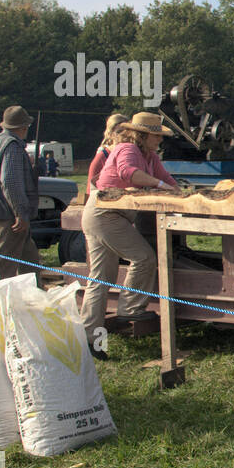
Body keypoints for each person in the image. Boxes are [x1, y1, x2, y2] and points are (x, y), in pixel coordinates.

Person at [80, 112, 178, 359]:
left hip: (107, 215)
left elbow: (166, 180)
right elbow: (128, 173)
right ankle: (130, 308)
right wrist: (160, 186)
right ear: (143, 135)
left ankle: (90, 339)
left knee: (101, 277)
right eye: (156, 136)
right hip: (105, 215)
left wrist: (178, 192)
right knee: (144, 257)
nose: (160, 141)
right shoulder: (127, 148)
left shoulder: (150, 155)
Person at [0, 106, 40, 280]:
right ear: (24, 127)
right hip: (9, 216)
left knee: (30, 263)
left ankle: (32, 300)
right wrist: (20, 212)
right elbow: (11, 182)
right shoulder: (12, 146)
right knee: (1, 269)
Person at [88, 113, 130, 194]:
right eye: (119, 131)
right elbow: (90, 190)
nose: (124, 135)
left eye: (127, 131)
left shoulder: (133, 154)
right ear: (110, 133)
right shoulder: (102, 156)